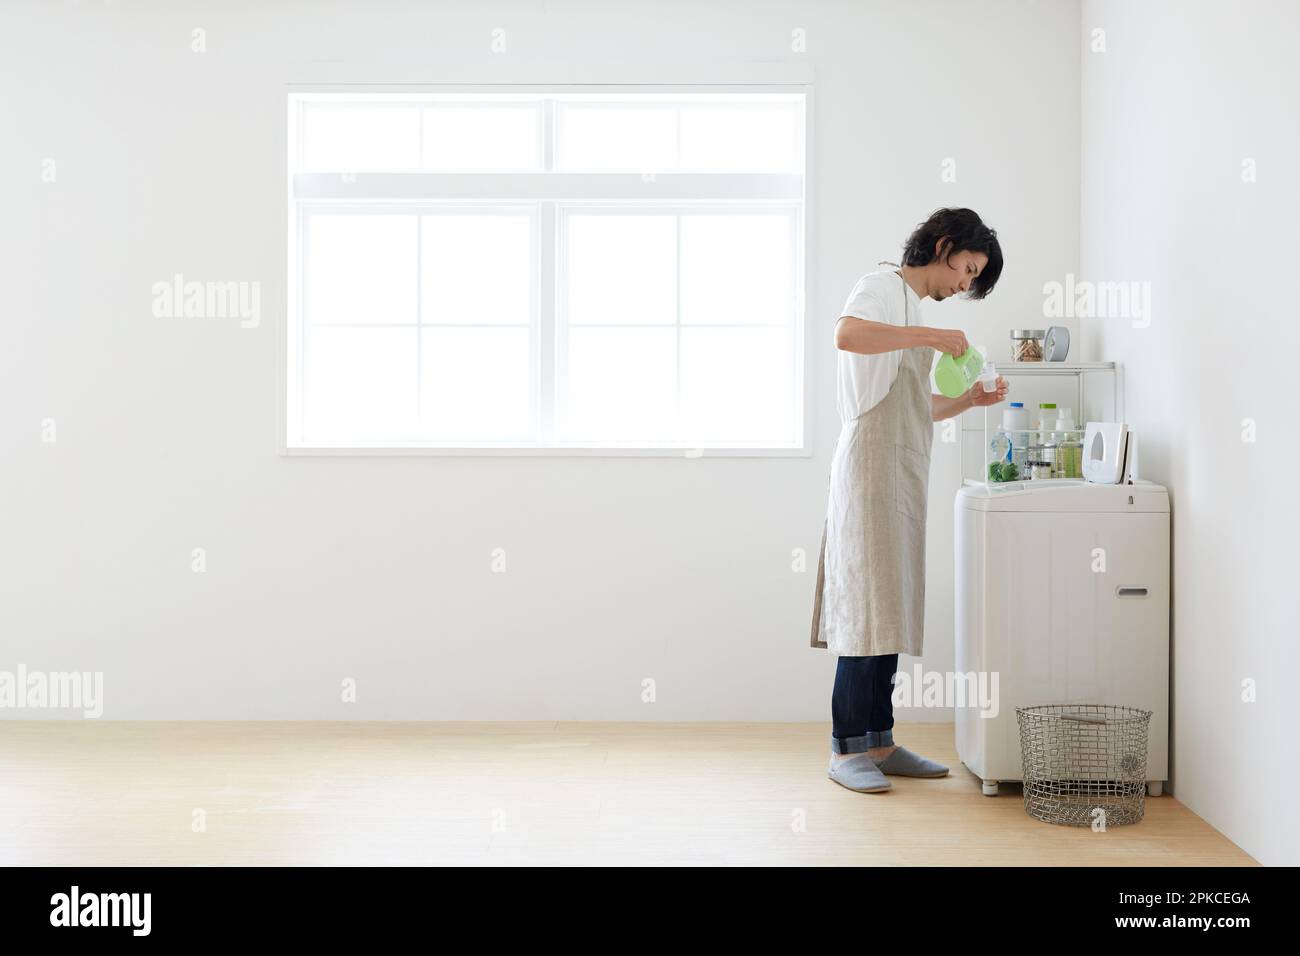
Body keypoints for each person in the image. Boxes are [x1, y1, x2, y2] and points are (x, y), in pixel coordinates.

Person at [810, 208, 1007, 793]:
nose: (964, 286)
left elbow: (915, 404)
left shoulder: (911, 308)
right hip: (869, 466)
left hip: (900, 469)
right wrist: (930, 336)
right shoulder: (880, 287)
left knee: (890, 604)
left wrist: (969, 400)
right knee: (866, 606)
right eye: (967, 270)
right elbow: (846, 334)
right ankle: (846, 747)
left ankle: (880, 741)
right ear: (943, 246)